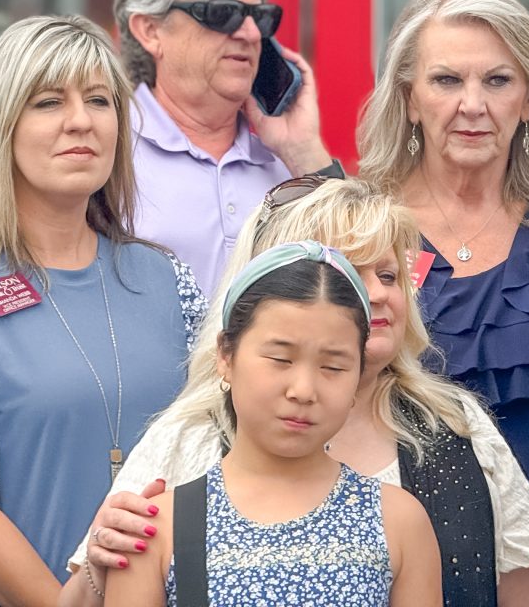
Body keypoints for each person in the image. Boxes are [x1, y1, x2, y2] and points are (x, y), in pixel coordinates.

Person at [68, 177, 529, 607]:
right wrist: (100, 560)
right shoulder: (188, 439)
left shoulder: (455, 427)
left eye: (388, 274)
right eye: (348, 271)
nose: (376, 293)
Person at [0, 15, 205, 606]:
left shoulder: (167, 278)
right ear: (1, 126)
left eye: (99, 101)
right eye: (49, 102)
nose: (80, 120)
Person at [356, 0, 529, 607]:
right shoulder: (363, 230)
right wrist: (505, 527)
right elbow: (337, 409)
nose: (472, 104)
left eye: (498, 81)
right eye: (447, 80)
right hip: (411, 568)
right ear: (410, 98)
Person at [105, 240, 443, 607]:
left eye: (333, 366)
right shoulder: (157, 528)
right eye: (281, 359)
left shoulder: (399, 522)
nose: (303, 390)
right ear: (226, 355)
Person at [114, 0, 341, 294]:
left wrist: (303, 151)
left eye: (260, 16)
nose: (250, 33)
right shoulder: (106, 146)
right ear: (150, 31)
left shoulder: (288, 158)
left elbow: (361, 273)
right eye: (223, 13)